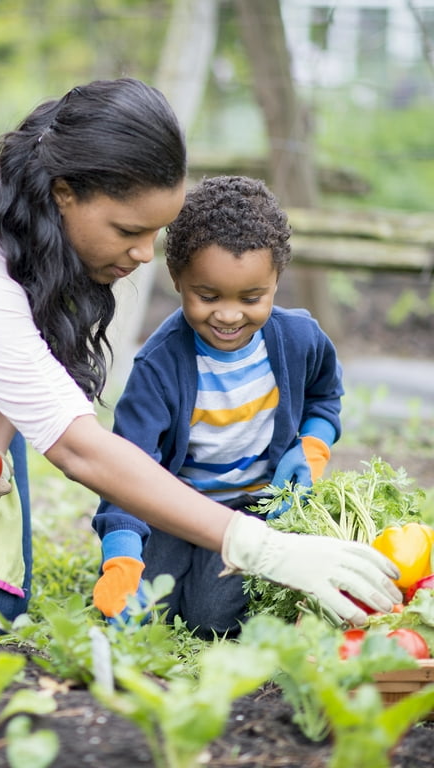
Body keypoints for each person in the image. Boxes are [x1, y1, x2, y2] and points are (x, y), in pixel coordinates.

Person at [0, 79, 400, 637]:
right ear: (65, 193)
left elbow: (14, 352)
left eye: (155, 233)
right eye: (129, 231)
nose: (146, 255)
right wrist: (266, 547)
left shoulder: (52, 236)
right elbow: (78, 448)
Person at [92, 175, 344, 637]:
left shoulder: (299, 340)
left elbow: (326, 397)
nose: (229, 315)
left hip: (249, 512)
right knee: (144, 611)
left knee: (211, 619)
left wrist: (312, 446)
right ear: (177, 278)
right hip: (173, 508)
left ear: (276, 280)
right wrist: (122, 557)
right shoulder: (159, 364)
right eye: (207, 296)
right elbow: (125, 466)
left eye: (252, 298)